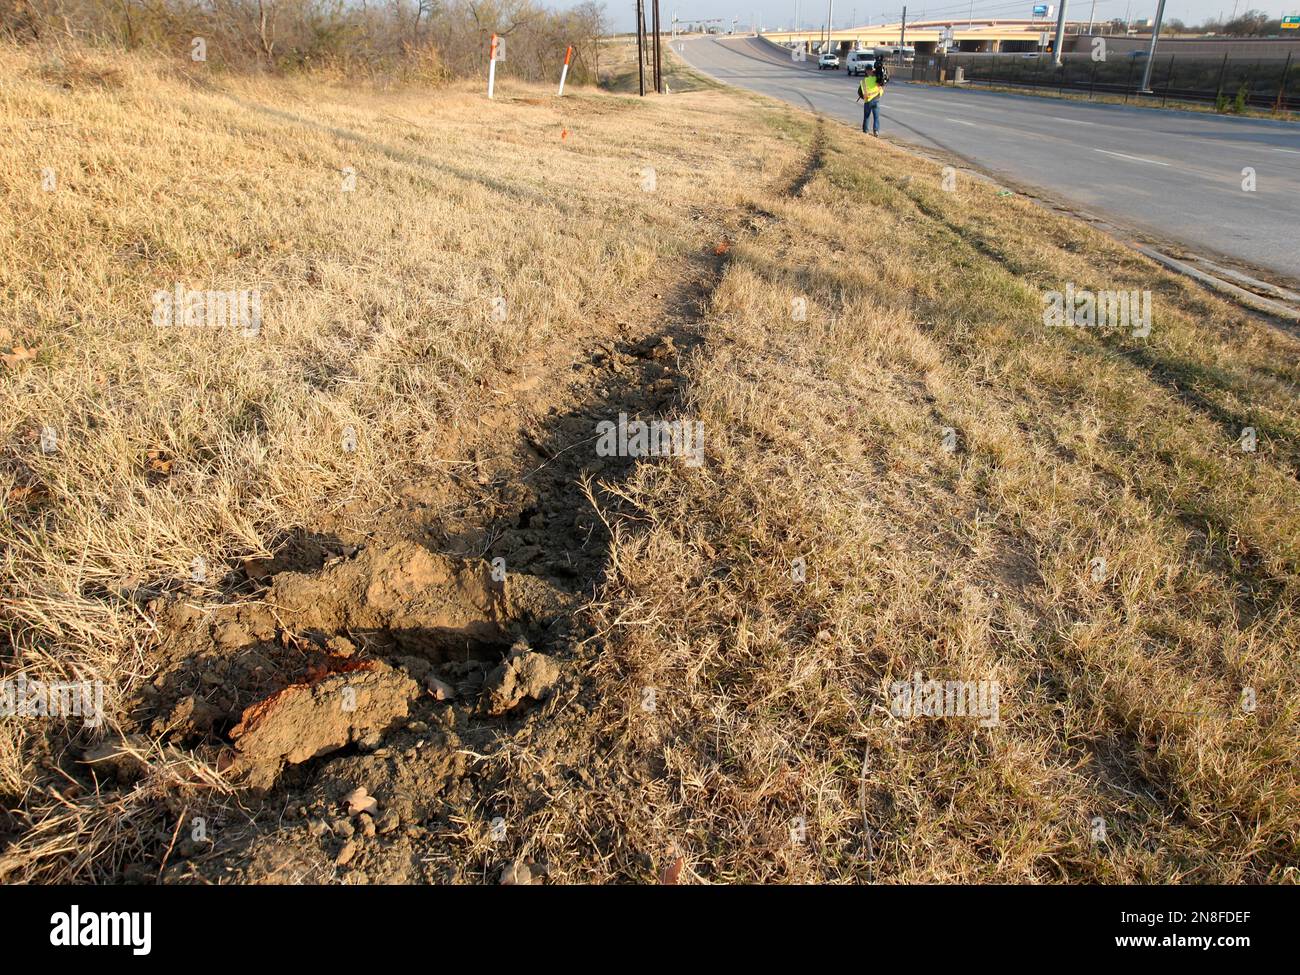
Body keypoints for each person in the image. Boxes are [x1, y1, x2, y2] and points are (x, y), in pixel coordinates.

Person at [857, 58, 888, 137]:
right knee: (876, 117)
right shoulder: (877, 79)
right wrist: (878, 94)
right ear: (872, 70)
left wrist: (866, 97)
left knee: (866, 117)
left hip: (868, 102)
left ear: (866, 71)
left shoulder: (864, 81)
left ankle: (865, 131)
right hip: (876, 100)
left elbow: (862, 93)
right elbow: (882, 88)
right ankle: (876, 131)